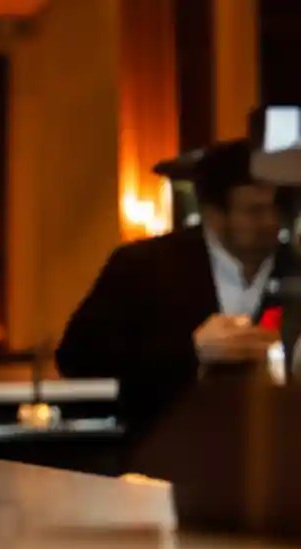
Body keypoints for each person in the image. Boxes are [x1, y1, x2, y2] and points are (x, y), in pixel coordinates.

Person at [57, 139, 285, 443]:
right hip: (164, 463)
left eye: (276, 207)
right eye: (254, 211)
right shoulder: (143, 266)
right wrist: (192, 349)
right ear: (213, 215)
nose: (270, 222)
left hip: (278, 465)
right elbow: (77, 356)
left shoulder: (293, 268)